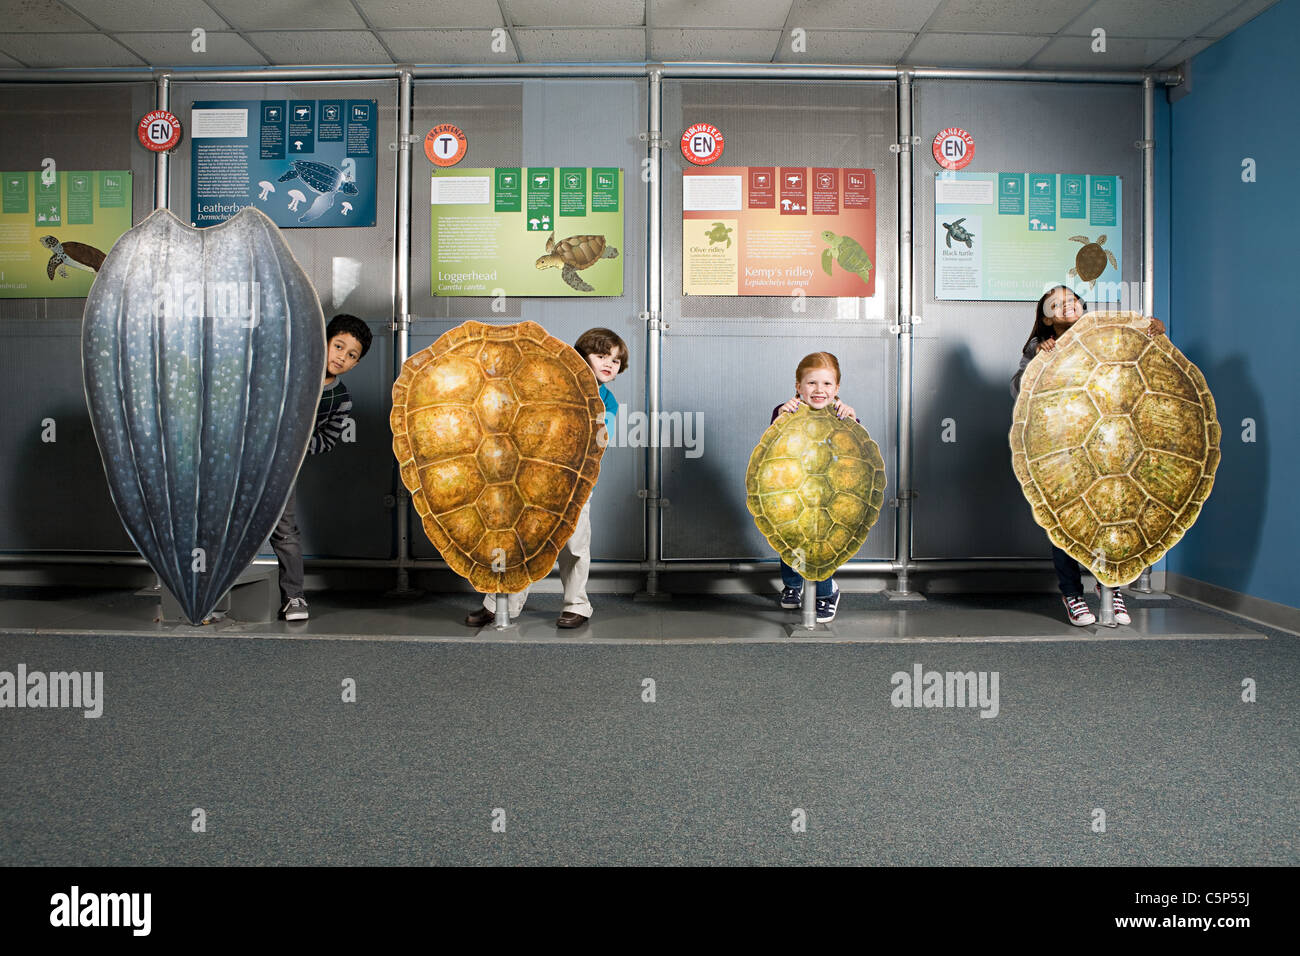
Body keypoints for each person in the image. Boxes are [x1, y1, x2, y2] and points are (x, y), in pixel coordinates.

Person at [1011, 286, 1165, 627]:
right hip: (1063, 449)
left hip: (1108, 445)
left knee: (1113, 514)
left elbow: (1134, 355)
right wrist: (1038, 360)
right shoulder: (1040, 349)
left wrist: (1152, 327)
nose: (1067, 306)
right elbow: (1019, 391)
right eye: (1057, 304)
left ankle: (1110, 586)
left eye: (1072, 300)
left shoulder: (1105, 333)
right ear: (1046, 318)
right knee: (1066, 521)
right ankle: (1072, 594)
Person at [464, 327, 627, 629]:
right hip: (530, 480)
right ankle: (501, 604)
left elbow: (598, 443)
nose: (609, 364)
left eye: (616, 361)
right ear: (581, 358)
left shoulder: (609, 402)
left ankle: (577, 605)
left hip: (574, 484)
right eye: (601, 356)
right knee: (521, 540)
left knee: (575, 545)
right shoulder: (553, 384)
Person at [272, 314, 372, 621]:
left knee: (284, 530)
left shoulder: (341, 399)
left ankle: (294, 598)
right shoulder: (290, 372)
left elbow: (327, 441)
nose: (342, 356)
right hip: (247, 462)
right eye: (338, 345)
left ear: (356, 364)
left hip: (284, 470)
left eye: (351, 354)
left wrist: (297, 445)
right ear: (324, 342)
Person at [770, 351, 858, 624]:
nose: (819, 390)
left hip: (827, 493)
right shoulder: (785, 411)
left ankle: (825, 592)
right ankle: (793, 585)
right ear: (798, 386)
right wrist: (780, 418)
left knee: (821, 544)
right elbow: (772, 450)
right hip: (793, 489)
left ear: (837, 388)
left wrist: (853, 420)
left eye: (827, 384)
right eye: (811, 383)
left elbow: (855, 457)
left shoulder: (842, 414)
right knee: (788, 538)